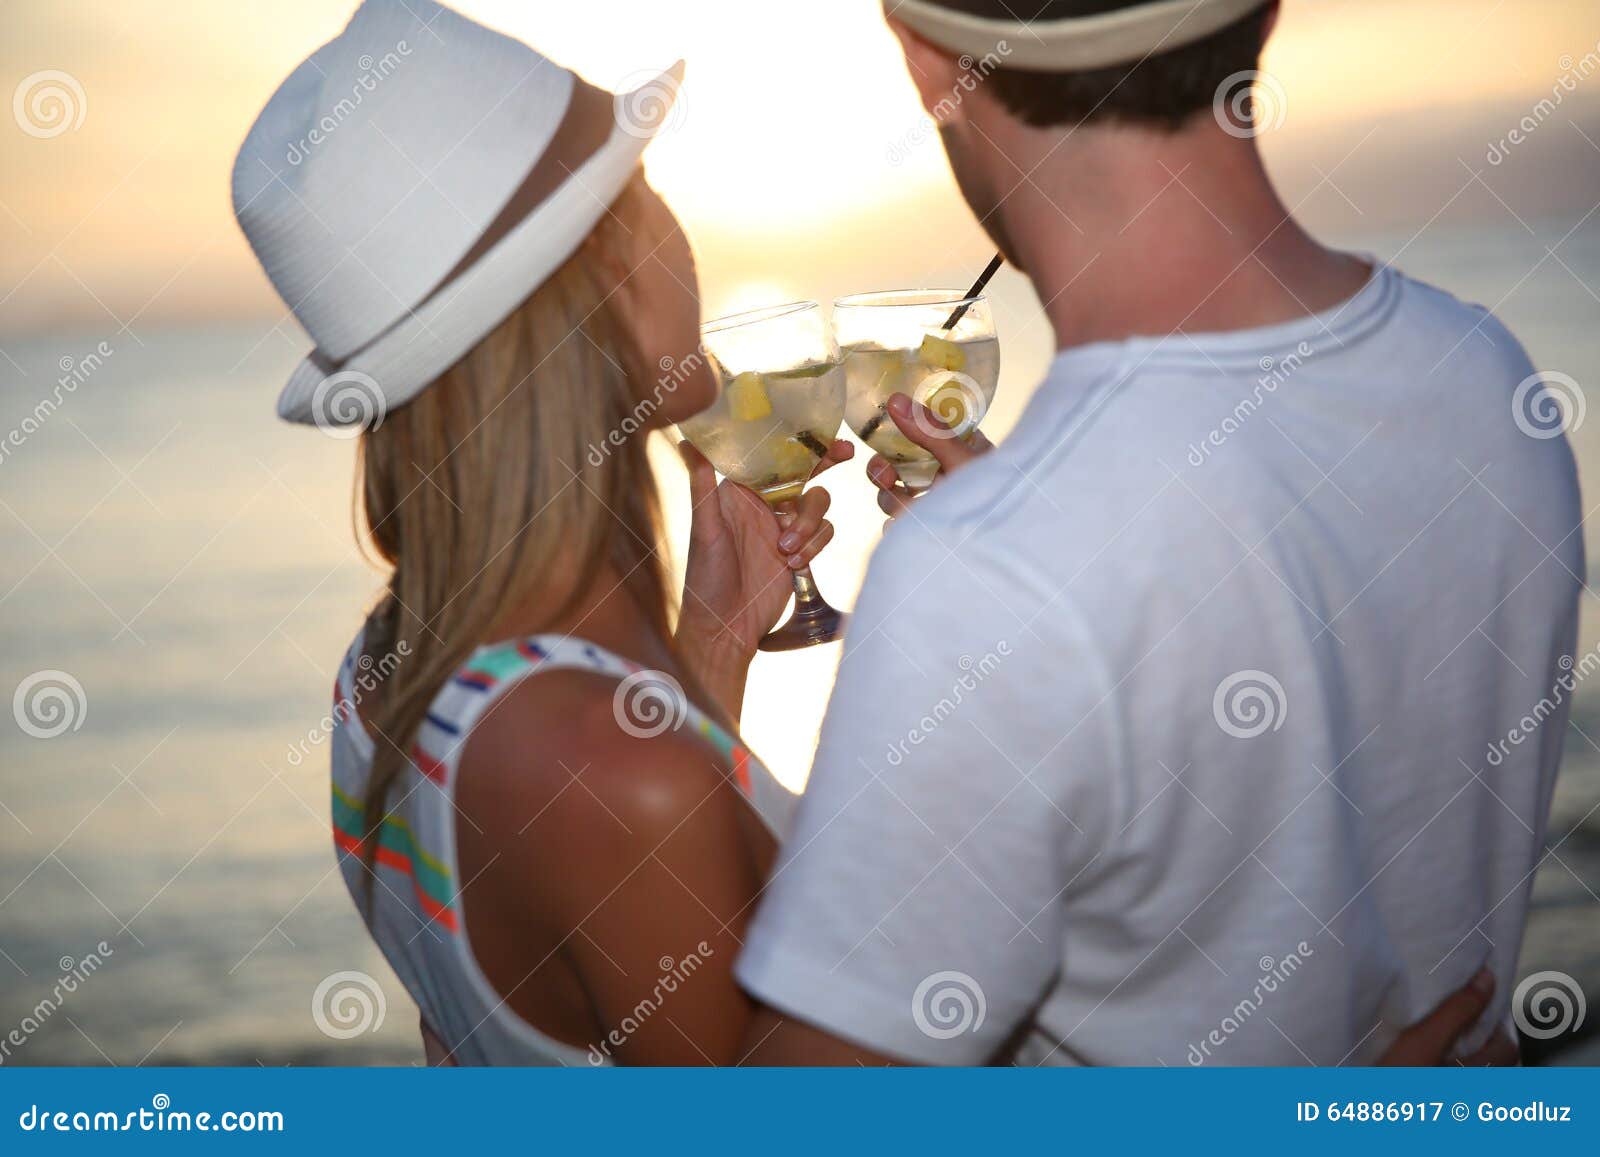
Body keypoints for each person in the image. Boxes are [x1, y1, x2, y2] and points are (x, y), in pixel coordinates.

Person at [235, 0, 1517, 1066]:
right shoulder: (604, 772)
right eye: (649, 193)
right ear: (605, 269)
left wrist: (708, 655)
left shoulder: (387, 676)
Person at [732, 0, 1578, 1064]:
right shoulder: (1489, 378)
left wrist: (690, 668)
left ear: (923, 56)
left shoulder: (987, 569)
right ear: (1262, 17)